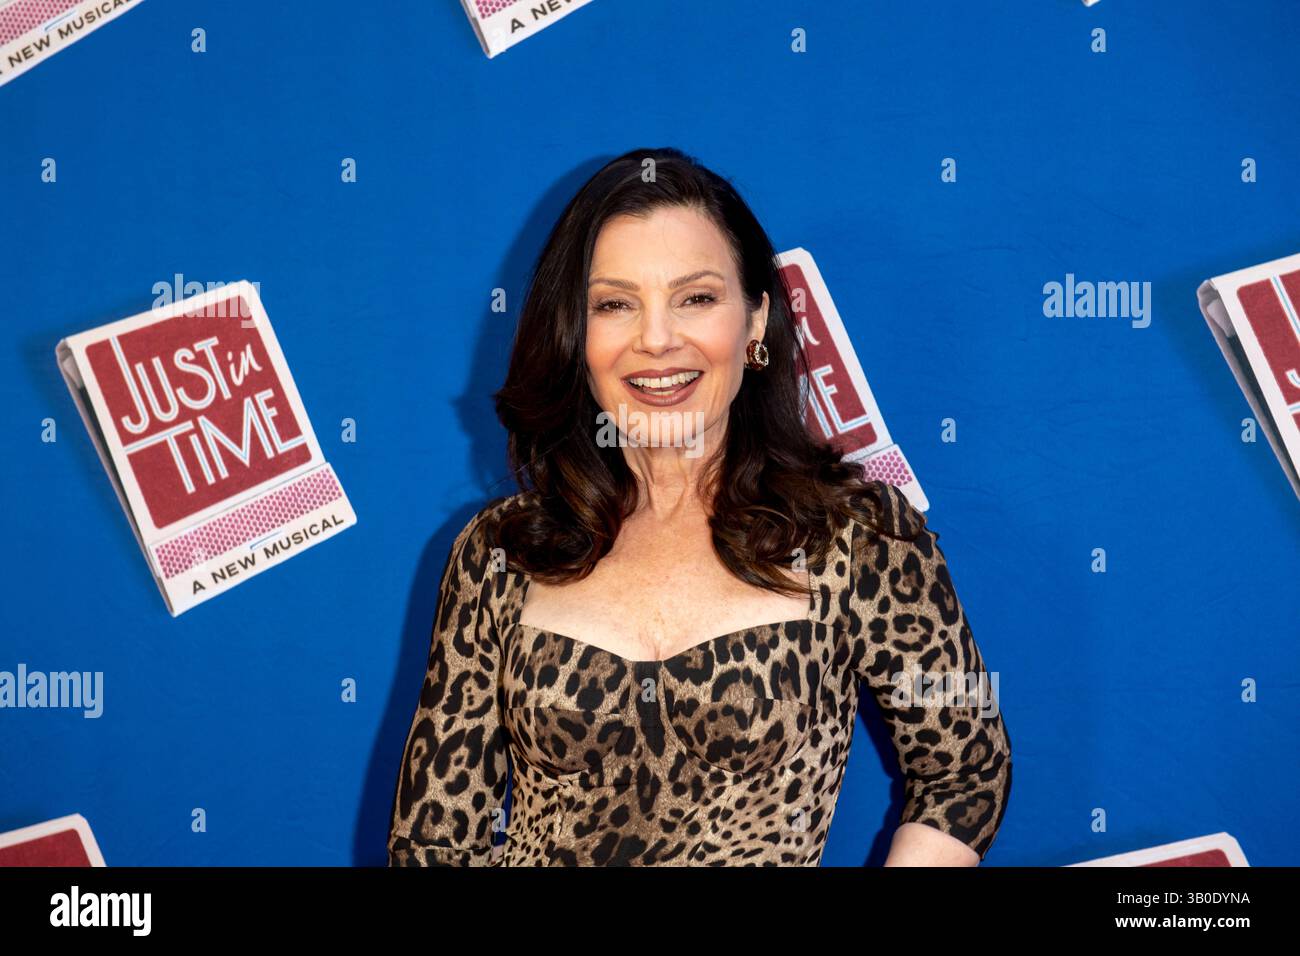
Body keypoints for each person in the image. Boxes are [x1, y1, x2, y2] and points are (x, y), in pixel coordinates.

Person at [388, 146, 1012, 866]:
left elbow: (965, 772)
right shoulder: (503, 549)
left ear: (754, 325)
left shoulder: (859, 535)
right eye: (615, 304)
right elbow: (433, 837)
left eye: (696, 297)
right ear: (574, 334)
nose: (656, 339)